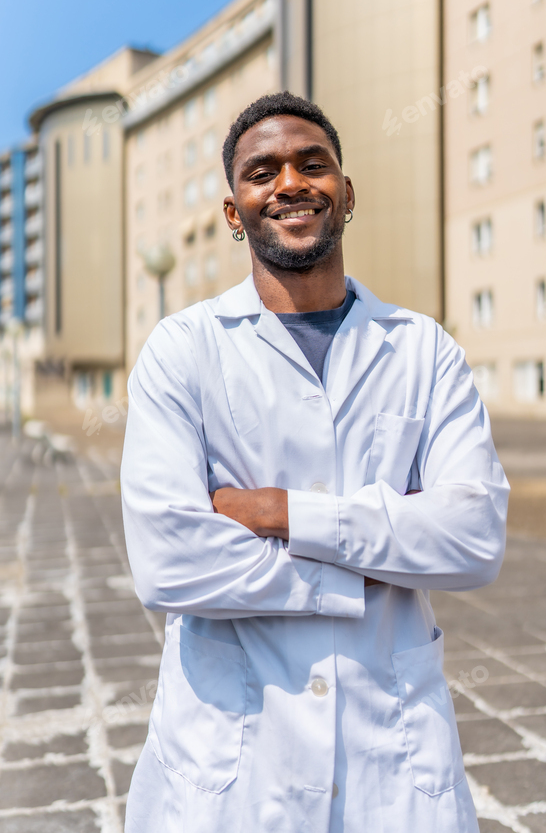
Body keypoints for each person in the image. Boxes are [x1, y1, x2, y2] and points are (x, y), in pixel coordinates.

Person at [121, 91, 509, 833]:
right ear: (234, 212)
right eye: (261, 171)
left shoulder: (423, 350)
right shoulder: (183, 350)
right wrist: (381, 545)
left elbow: (472, 536)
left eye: (313, 163)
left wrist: (279, 512)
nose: (289, 183)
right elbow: (169, 560)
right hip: (232, 769)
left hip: (390, 765)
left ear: (346, 193)